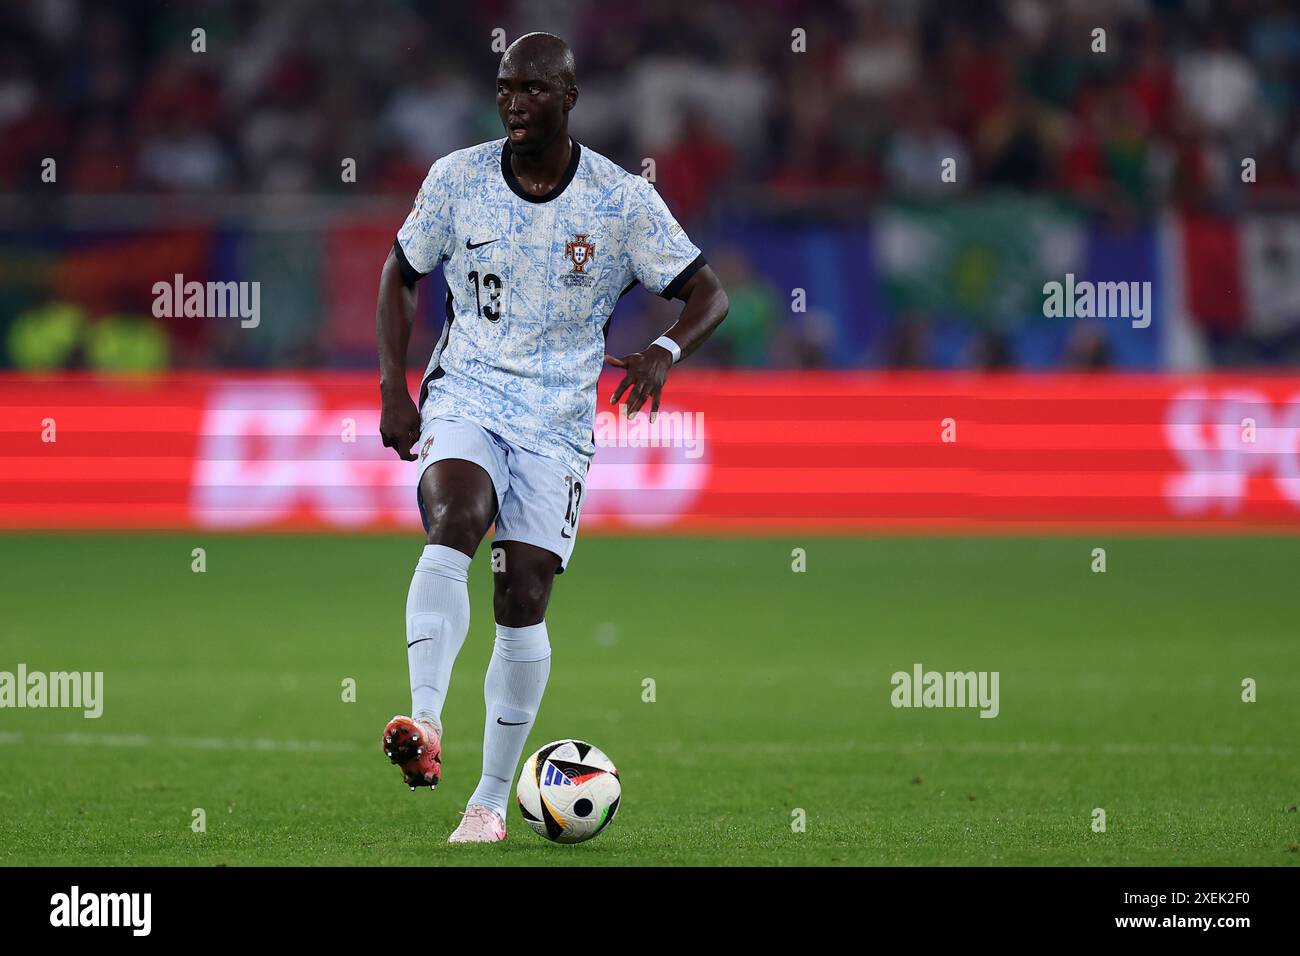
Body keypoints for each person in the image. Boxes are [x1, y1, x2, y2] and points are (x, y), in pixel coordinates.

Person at [373, 33, 729, 843]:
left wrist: (665, 351)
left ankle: (490, 802)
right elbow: (402, 271)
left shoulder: (620, 200)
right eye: (504, 89)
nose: (515, 103)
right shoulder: (458, 179)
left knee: (522, 595)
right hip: (467, 391)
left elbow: (709, 295)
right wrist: (395, 386)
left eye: (532, 90)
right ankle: (424, 722)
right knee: (456, 517)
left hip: (559, 421)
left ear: (569, 99)